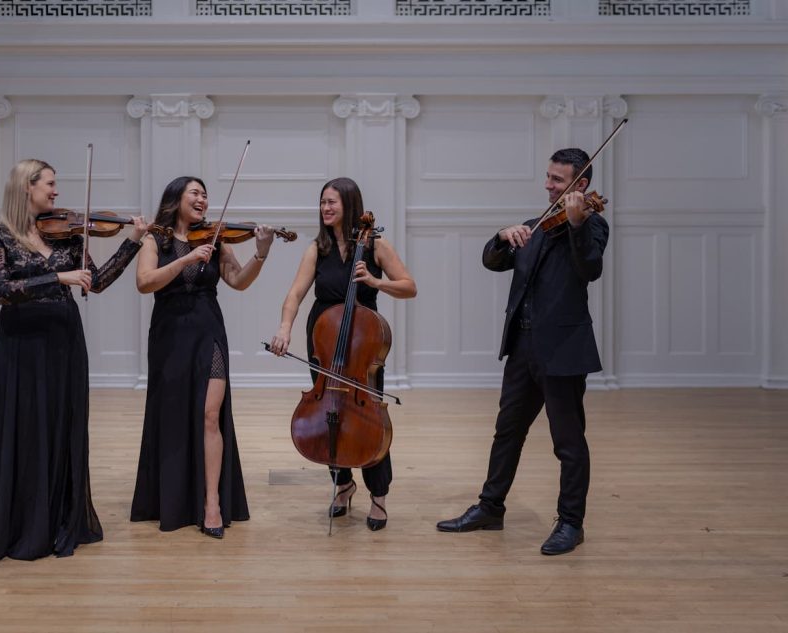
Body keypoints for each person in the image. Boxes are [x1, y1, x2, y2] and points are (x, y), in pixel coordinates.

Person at [0, 159, 148, 564]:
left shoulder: (67, 236)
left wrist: (132, 242)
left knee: (59, 428)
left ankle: (57, 520)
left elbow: (97, 281)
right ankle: (20, 524)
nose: (56, 192)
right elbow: (1, 290)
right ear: (27, 186)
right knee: (22, 430)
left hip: (64, 342)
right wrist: (58, 278)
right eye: (50, 184)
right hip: (20, 346)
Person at [435, 148, 609, 555]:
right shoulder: (535, 227)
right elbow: (493, 262)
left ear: (580, 184)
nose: (548, 185)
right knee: (507, 431)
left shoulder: (592, 224)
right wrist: (501, 236)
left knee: (568, 441)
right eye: (548, 177)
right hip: (522, 347)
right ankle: (490, 508)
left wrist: (577, 224)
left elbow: (590, 268)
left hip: (562, 351)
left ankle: (571, 523)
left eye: (557, 180)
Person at [130, 176, 274, 539]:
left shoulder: (216, 237)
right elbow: (145, 282)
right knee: (174, 414)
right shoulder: (155, 239)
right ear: (176, 198)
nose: (203, 200)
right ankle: (173, 499)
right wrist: (187, 259)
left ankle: (212, 502)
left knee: (211, 414)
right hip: (169, 335)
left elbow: (238, 280)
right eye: (195, 193)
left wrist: (260, 253)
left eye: (205, 195)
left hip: (209, 331)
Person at [269, 177, 417, 531]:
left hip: (363, 343)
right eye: (322, 202)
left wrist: (376, 282)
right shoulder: (317, 248)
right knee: (329, 413)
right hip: (324, 339)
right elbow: (295, 295)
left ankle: (378, 495)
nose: (325, 208)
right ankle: (343, 484)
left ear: (349, 204)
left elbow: (409, 287)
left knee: (367, 418)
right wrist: (285, 328)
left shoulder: (375, 245)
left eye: (331, 202)